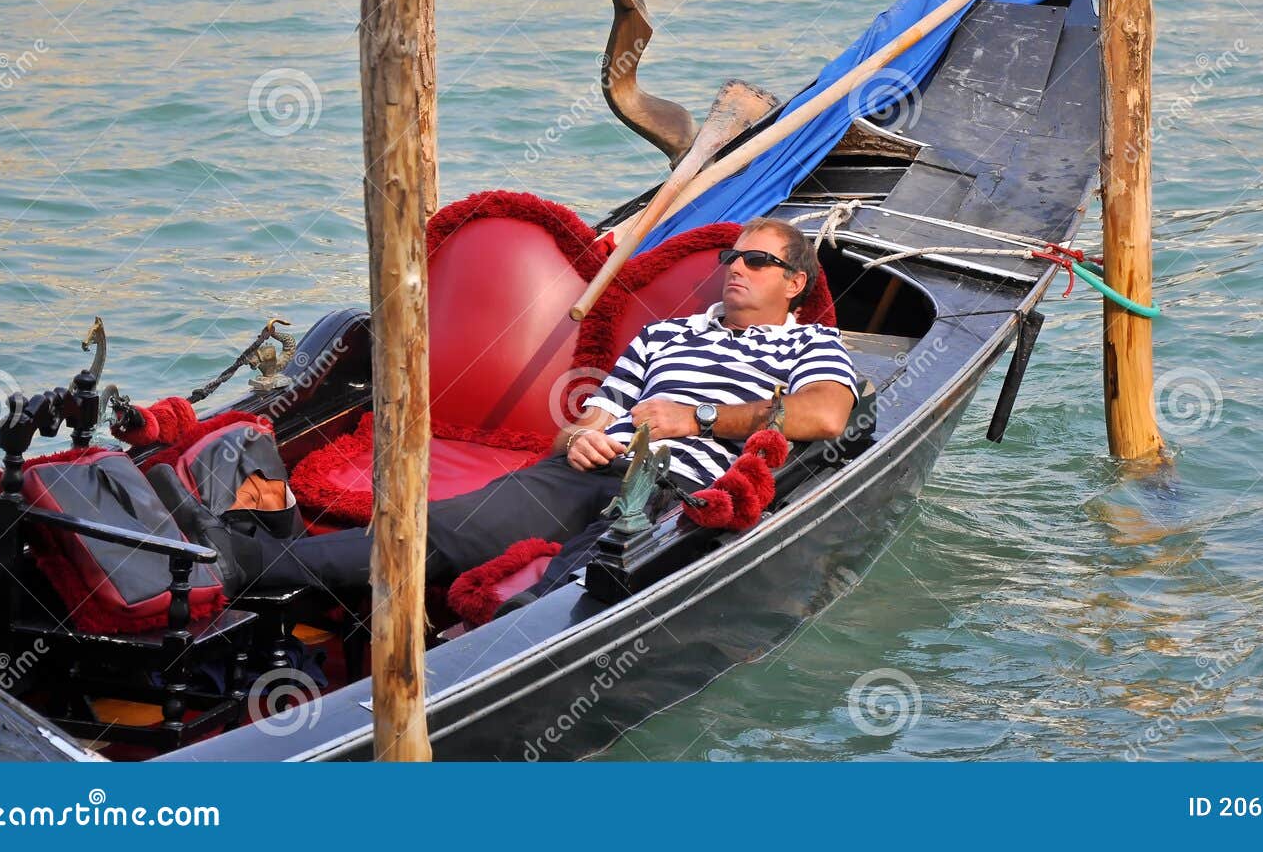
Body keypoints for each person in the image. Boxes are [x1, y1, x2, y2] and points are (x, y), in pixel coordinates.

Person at [195, 217, 857, 598]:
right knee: (433, 533)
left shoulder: (810, 342)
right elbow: (594, 415)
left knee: (578, 590)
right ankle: (237, 564)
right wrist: (583, 438)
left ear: (796, 283)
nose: (736, 266)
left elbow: (825, 415)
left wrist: (700, 418)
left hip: (680, 492)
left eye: (758, 261)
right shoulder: (665, 335)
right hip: (587, 471)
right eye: (733, 255)